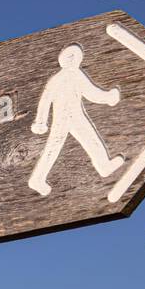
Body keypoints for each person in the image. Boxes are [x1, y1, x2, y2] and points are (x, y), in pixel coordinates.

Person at [28, 45, 124, 197]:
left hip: (75, 116)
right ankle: (37, 179)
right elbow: (46, 100)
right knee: (54, 147)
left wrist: (108, 98)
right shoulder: (64, 77)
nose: (72, 59)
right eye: (69, 56)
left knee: (90, 140)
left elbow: (91, 92)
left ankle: (104, 165)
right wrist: (40, 122)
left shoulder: (70, 75)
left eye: (75, 56)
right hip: (64, 119)